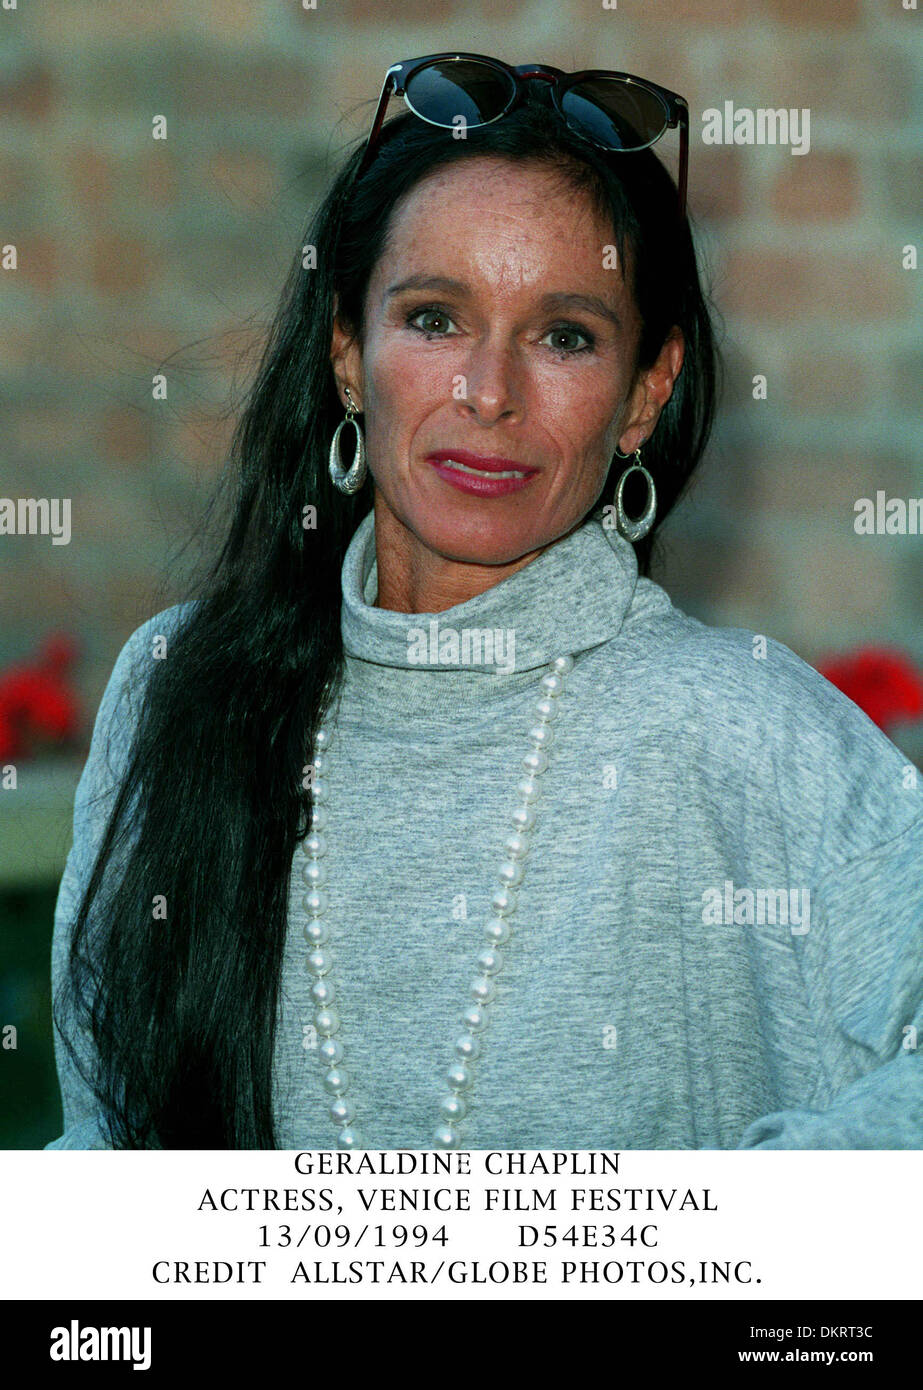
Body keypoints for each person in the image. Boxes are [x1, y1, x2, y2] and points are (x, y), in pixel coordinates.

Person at [47, 56, 923, 1151]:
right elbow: (105, 1163)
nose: (490, 393)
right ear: (347, 354)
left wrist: (711, 1243)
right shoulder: (178, 687)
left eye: (565, 336)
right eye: (431, 318)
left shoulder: (738, 728)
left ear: (645, 393)